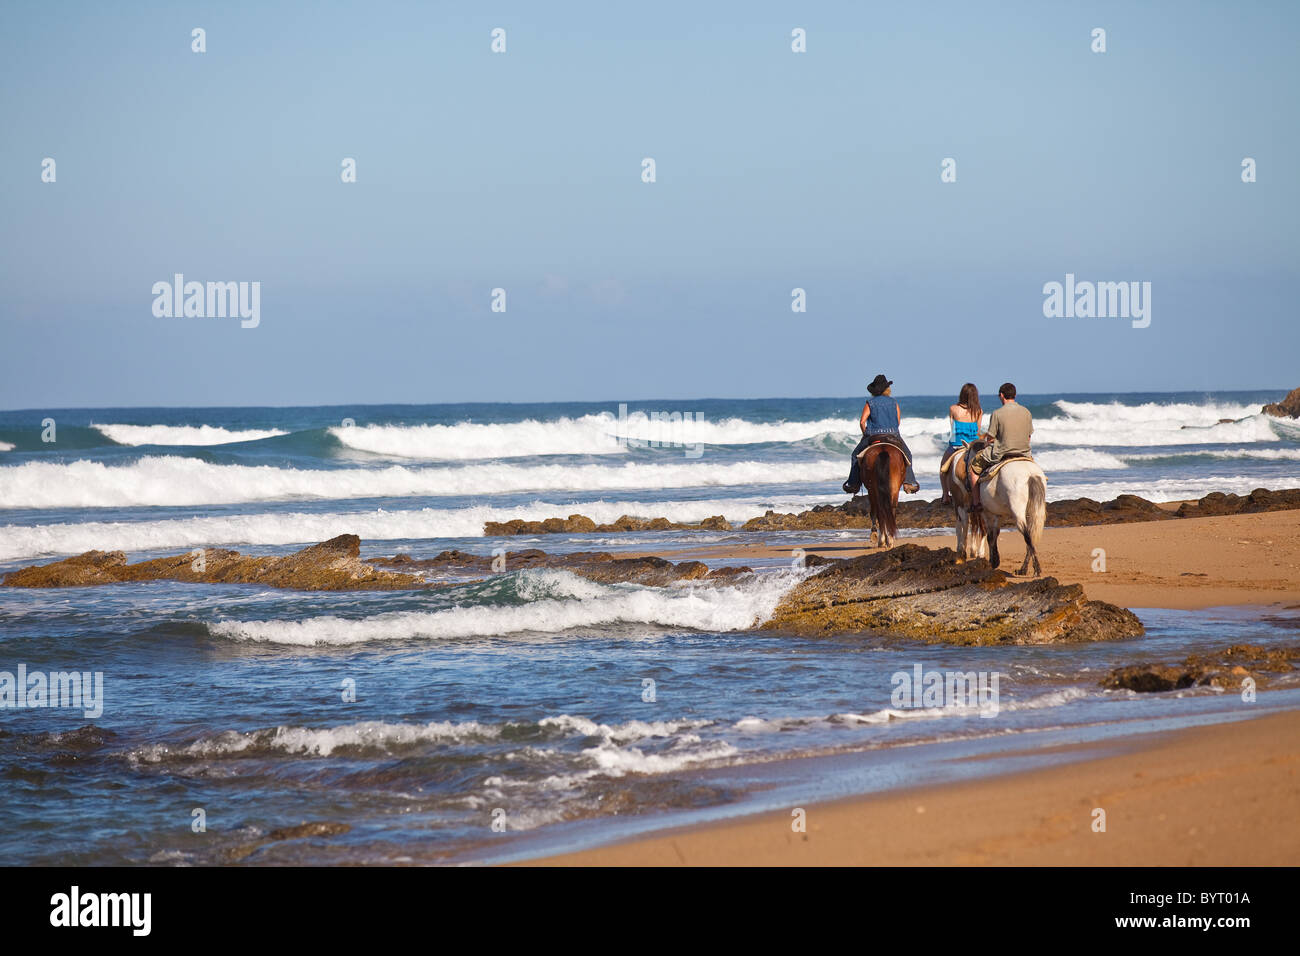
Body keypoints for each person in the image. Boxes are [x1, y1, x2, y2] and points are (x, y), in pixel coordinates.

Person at [843, 374, 920, 496]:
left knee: (855, 455)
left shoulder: (870, 403)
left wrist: (866, 435)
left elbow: (862, 421)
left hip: (873, 435)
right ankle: (908, 483)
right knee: (908, 454)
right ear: (887, 389)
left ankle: (854, 484)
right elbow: (898, 421)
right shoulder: (894, 402)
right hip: (893, 435)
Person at [969, 382, 1033, 512]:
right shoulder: (1026, 412)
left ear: (1002, 395)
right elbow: (1028, 437)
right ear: (1014, 395)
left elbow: (991, 438)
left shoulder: (997, 413)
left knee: (973, 469)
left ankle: (976, 503)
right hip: (1025, 453)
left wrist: (987, 443)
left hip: (1002, 452)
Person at [940, 383, 984, 505]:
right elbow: (978, 430)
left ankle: (945, 495)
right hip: (973, 445)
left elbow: (952, 428)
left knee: (943, 469)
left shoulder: (953, 409)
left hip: (957, 445)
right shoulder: (979, 411)